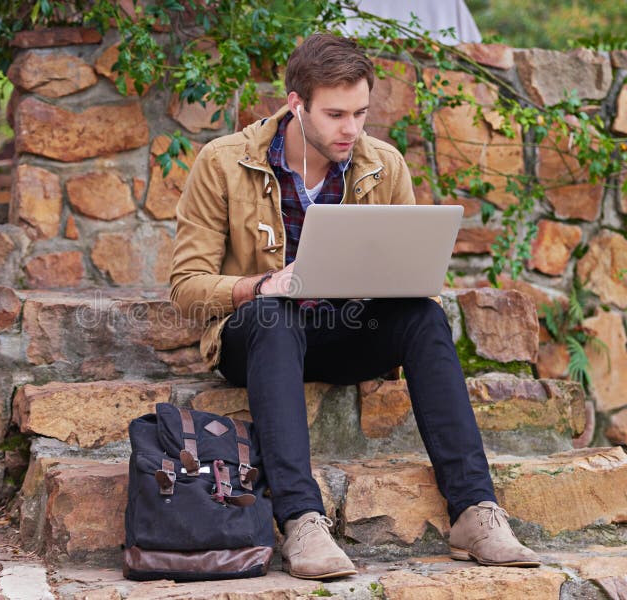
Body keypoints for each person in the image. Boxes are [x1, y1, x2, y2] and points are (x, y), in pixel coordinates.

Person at [169, 33, 539, 580]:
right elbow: (186, 286)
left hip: (346, 331)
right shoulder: (223, 162)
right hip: (261, 337)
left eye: (361, 113)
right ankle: (301, 519)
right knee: (276, 317)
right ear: (296, 104)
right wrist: (264, 284)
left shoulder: (382, 165)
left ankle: (474, 511)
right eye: (336, 114)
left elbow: (410, 275)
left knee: (425, 317)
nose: (351, 129)